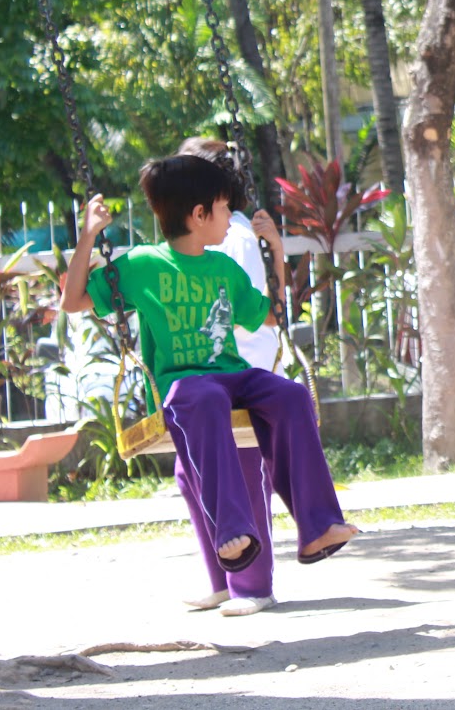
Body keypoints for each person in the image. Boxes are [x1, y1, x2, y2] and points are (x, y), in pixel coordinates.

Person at [60, 156, 357, 580]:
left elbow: (270, 314)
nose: (229, 217)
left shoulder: (224, 268)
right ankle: (232, 530)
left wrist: (274, 250)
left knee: (291, 394)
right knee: (206, 397)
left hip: (234, 375)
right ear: (199, 215)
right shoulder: (143, 265)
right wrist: (88, 236)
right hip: (185, 385)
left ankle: (318, 525)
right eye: (222, 208)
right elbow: (73, 302)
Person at [173, 138, 281, 616]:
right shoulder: (208, 238)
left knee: (240, 471)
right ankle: (224, 576)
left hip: (242, 369)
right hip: (211, 371)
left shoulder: (232, 238)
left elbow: (257, 313)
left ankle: (253, 584)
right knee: (188, 471)